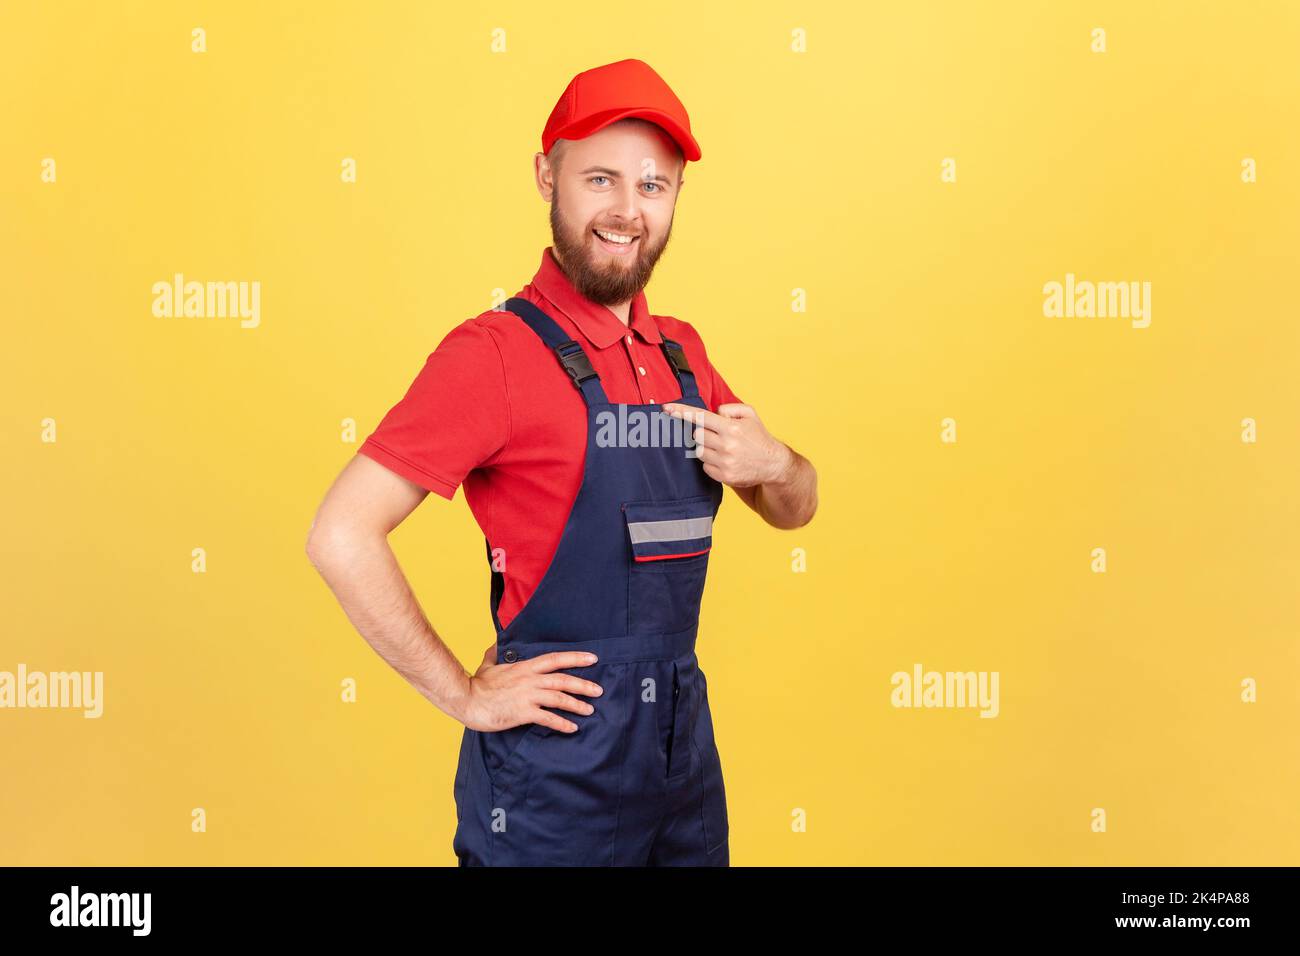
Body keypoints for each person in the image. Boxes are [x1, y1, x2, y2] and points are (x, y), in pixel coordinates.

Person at [306, 58, 818, 866]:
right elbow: (340, 535)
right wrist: (462, 695)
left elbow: (796, 508)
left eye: (653, 186)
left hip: (682, 766)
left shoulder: (683, 354)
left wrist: (774, 461)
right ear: (547, 176)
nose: (626, 210)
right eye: (601, 179)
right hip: (554, 780)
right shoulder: (495, 356)